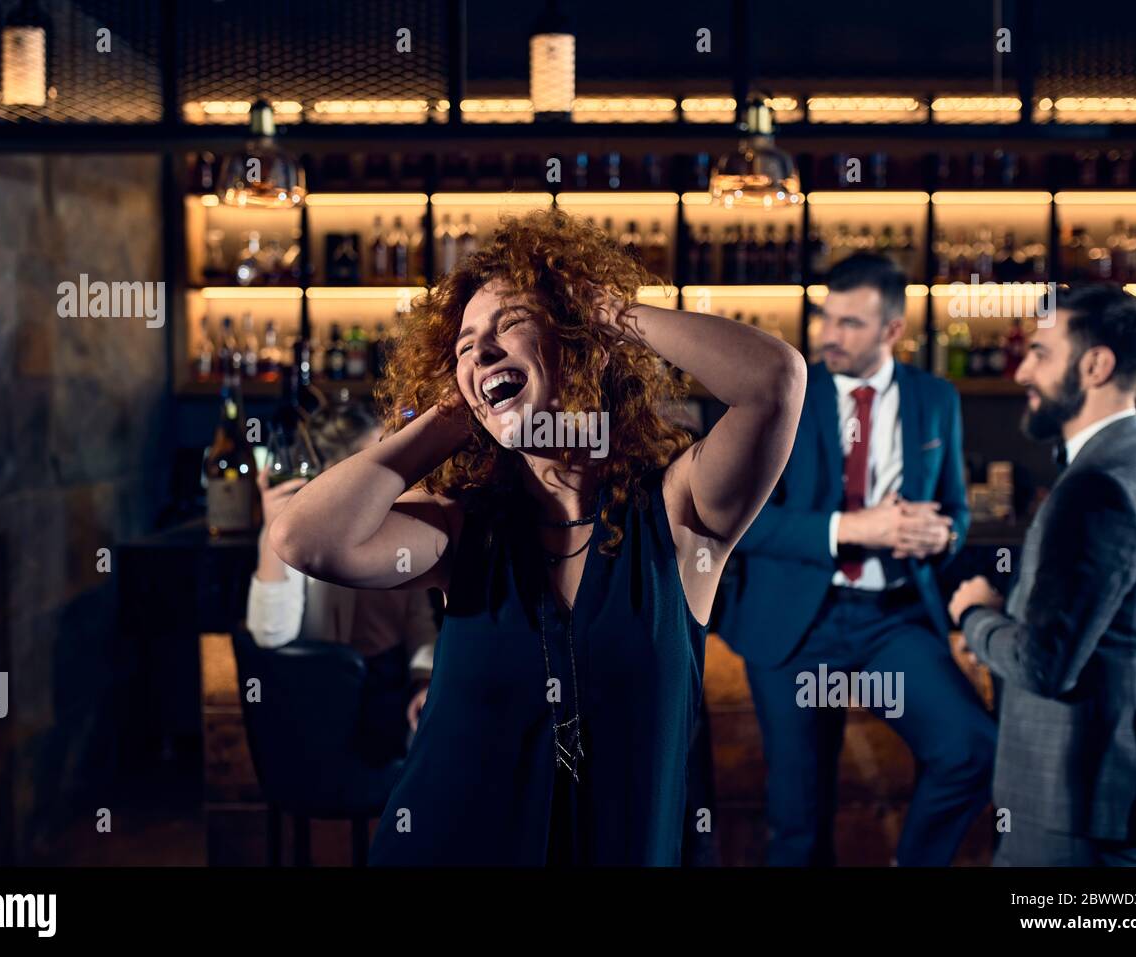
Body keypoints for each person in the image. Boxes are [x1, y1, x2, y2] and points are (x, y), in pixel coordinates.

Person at [269, 206, 806, 865]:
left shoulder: (679, 513)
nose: (480, 349)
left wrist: (609, 314)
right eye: (464, 344)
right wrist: (456, 410)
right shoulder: (463, 525)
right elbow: (303, 539)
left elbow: (775, 381)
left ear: (580, 344)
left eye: (509, 325)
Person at [716, 253, 995, 866]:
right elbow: (739, 517)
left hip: (892, 620)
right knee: (796, 820)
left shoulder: (935, 398)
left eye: (850, 324)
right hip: (795, 625)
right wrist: (851, 527)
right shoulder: (780, 393)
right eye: (826, 318)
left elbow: (955, 507)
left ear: (893, 330)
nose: (827, 336)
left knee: (970, 749)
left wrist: (940, 535)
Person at [949, 285, 1136, 867]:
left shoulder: (1096, 487)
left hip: (1075, 796)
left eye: (1040, 353)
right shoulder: (1135, 460)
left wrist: (976, 613)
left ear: (1095, 365)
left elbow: (1044, 664)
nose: (1022, 371)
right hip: (1108, 786)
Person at [249, 401, 437, 766]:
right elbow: (271, 634)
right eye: (374, 464)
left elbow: (419, 622)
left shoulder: (401, 528)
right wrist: (272, 533)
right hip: (317, 699)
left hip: (392, 689)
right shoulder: (302, 538)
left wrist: (423, 680)